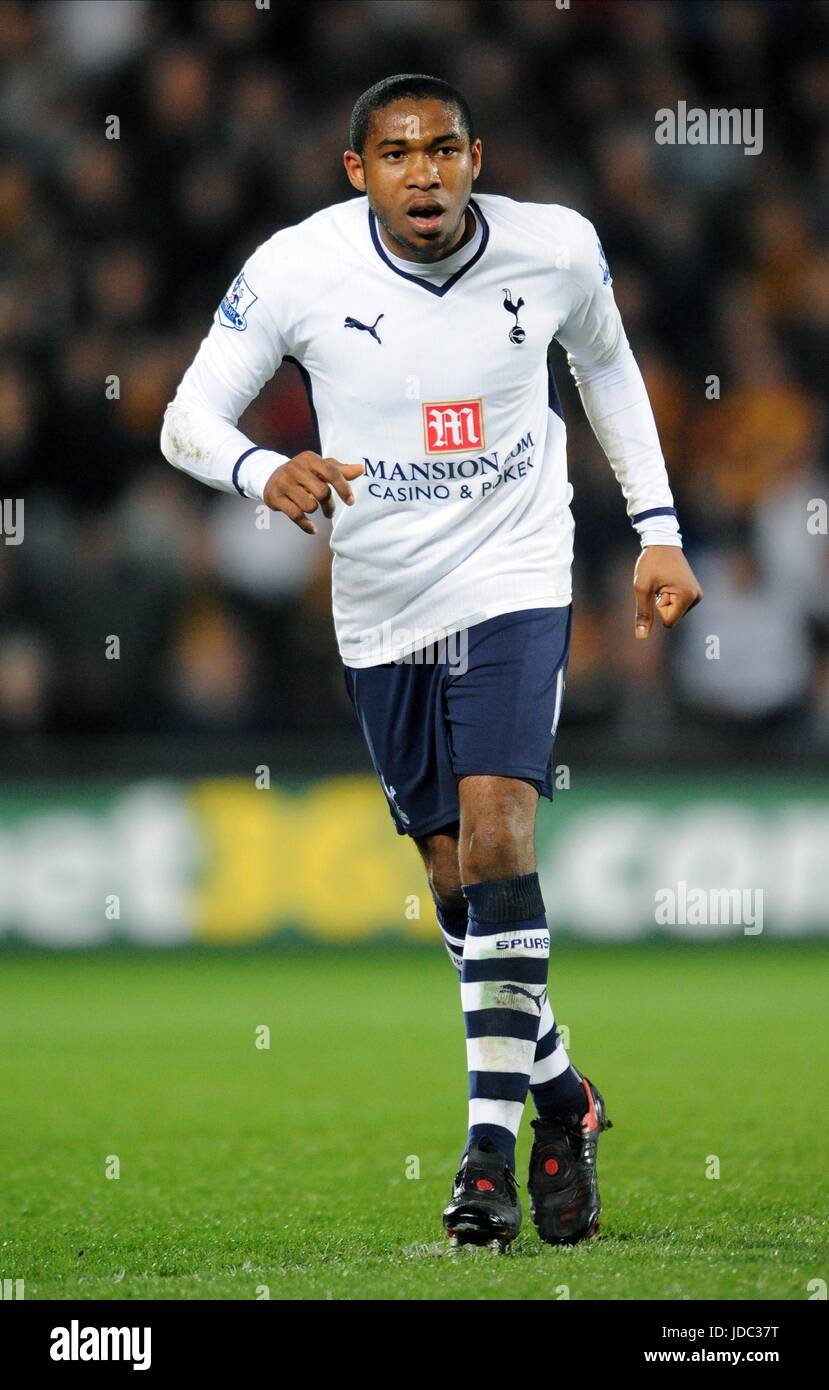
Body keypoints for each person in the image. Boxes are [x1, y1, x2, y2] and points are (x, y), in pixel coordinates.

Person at [160, 73, 702, 1252]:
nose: (425, 172)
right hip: (382, 603)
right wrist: (262, 471)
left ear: (475, 158)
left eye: (445, 149)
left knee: (501, 826)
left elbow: (605, 369)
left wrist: (657, 530)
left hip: (516, 574)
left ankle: (487, 1160)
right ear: (357, 171)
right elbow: (185, 416)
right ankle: (564, 1097)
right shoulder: (299, 268)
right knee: (458, 890)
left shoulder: (554, 249)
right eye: (397, 153)